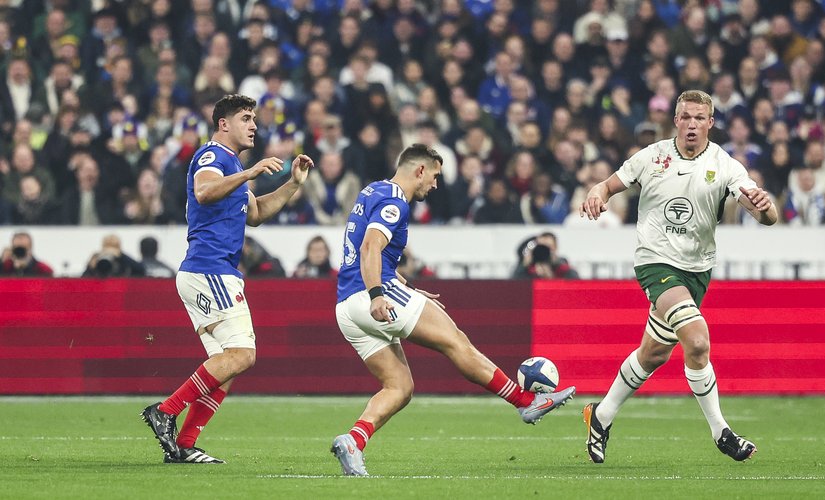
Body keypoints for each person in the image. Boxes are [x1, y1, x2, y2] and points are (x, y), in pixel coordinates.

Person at [330, 144, 576, 476]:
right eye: (434, 176)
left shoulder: (373, 190)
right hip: (372, 293)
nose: (435, 185)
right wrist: (377, 295)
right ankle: (525, 402)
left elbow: (373, 252)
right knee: (456, 341)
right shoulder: (395, 201)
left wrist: (407, 287)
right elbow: (370, 247)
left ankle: (353, 441)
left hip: (346, 306)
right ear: (419, 170)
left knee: (399, 387)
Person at [580, 90, 778, 464]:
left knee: (653, 354)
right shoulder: (651, 157)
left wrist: (765, 208)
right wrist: (596, 192)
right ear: (675, 120)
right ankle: (721, 432)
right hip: (655, 263)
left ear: (710, 123)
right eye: (685, 117)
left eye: (699, 118)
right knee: (698, 342)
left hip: (697, 270)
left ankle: (600, 416)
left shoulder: (725, 165)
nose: (691, 124)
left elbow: (765, 215)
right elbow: (607, 185)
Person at [140, 94, 314, 464]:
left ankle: (184, 444)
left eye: (254, 119)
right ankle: (166, 411)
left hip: (210, 271)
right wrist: (249, 174)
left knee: (228, 364)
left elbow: (256, 213)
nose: (254, 125)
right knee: (243, 355)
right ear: (224, 124)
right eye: (246, 118)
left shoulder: (232, 164)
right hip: (210, 268)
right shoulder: (213, 155)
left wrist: (293, 184)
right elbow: (204, 191)